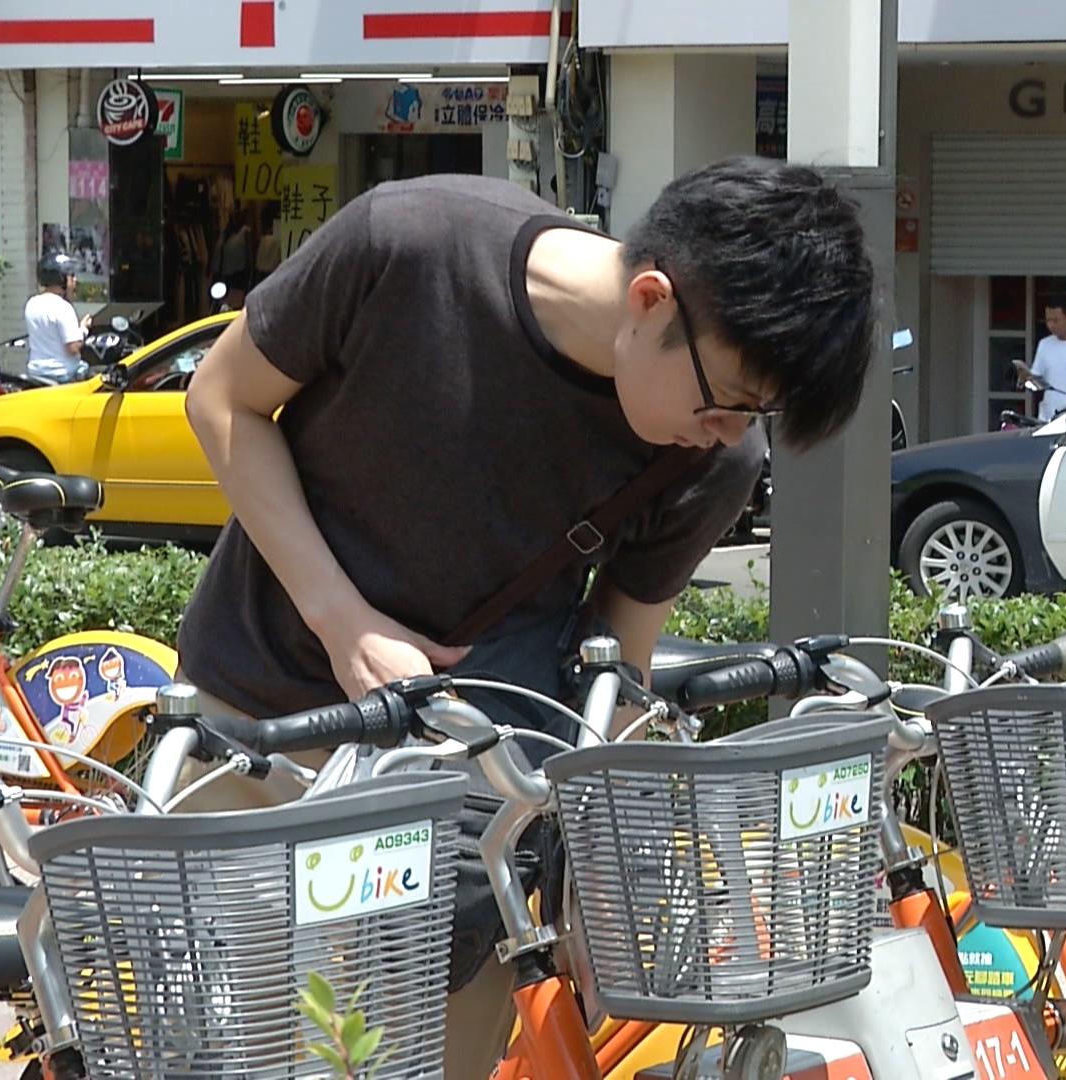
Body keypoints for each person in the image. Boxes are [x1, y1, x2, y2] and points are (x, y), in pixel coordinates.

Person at [176, 156, 875, 1080]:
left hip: (471, 813)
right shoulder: (411, 244)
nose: (729, 434)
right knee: (258, 1056)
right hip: (264, 727)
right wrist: (342, 620)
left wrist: (600, 860)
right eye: (725, 403)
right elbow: (223, 399)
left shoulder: (710, 462)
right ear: (653, 299)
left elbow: (614, 666)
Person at [1013, 298, 1066, 420]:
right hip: (1047, 417)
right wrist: (1025, 376)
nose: (1051, 325)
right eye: (1048, 320)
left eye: (1055, 320)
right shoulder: (1045, 344)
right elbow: (1037, 380)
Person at [23, 252, 91, 384]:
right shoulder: (62, 307)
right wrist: (83, 329)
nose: (74, 280)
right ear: (61, 278)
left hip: (36, 372)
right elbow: (73, 348)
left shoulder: (31, 304)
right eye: (71, 275)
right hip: (61, 374)